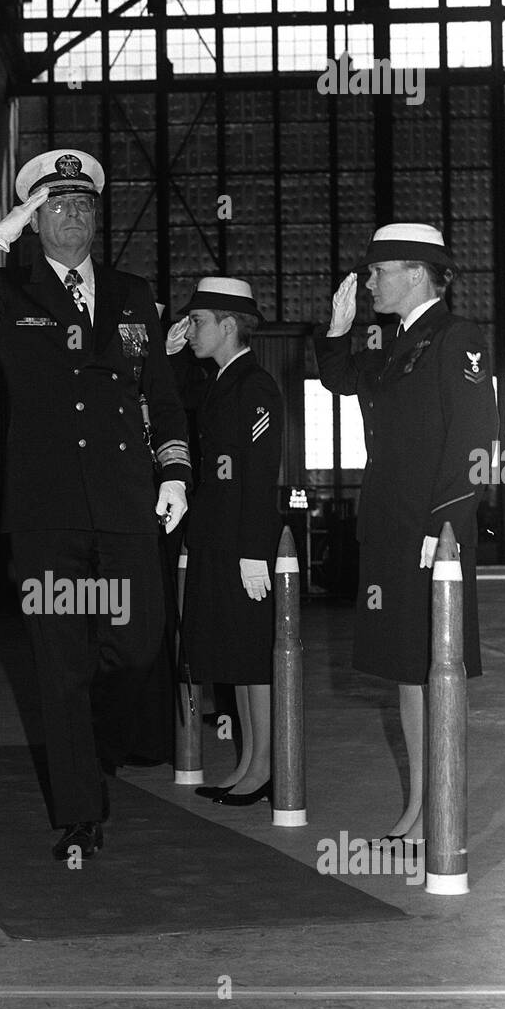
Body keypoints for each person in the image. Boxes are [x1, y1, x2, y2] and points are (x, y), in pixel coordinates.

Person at [0, 148, 192, 861]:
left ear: (98, 218)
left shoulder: (134, 294)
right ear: (33, 218)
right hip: (47, 512)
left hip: (129, 500)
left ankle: (92, 745)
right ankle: (79, 813)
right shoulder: (4, 293)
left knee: (138, 645)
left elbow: (158, 395)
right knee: (60, 661)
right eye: (56, 204)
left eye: (84, 204)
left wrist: (174, 474)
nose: (74, 214)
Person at [316, 223, 498, 843]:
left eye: (377, 272)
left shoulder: (456, 339)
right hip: (393, 533)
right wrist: (337, 327)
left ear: (416, 272)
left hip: (432, 536)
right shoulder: (398, 343)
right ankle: (419, 809)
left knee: (438, 672)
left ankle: (443, 812)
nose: (368, 282)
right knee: (406, 670)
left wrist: (444, 526)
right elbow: (342, 379)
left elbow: (475, 442)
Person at [173, 278, 283, 806]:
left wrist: (252, 551)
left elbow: (258, 475)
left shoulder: (254, 387)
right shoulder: (219, 382)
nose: (190, 331)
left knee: (254, 659)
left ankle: (265, 768)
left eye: (197, 322)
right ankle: (247, 761)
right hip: (217, 539)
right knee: (234, 656)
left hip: (243, 545)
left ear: (228, 325)